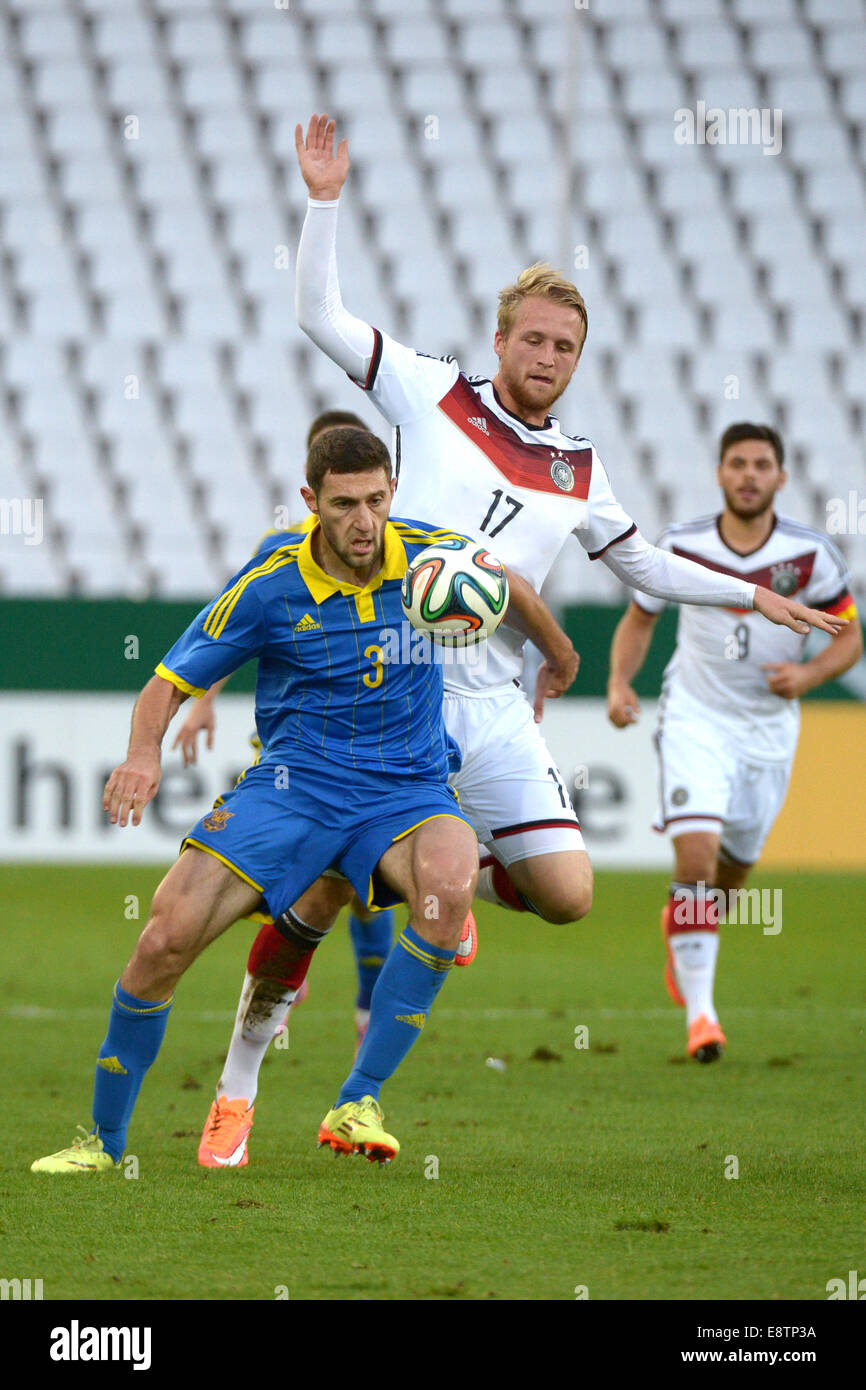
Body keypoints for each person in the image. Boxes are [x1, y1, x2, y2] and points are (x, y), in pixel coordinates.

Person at [194, 115, 847, 1168]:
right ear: (499, 340)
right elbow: (316, 311)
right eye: (532, 339)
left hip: (492, 706)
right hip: (388, 689)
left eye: (564, 347)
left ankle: (435, 885)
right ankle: (242, 1080)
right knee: (316, 897)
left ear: (577, 360)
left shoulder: (579, 470)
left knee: (567, 894)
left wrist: (747, 592)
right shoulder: (427, 389)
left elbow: (641, 564)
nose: (545, 358)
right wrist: (324, 200)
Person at [30, 428, 558, 1173]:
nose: (364, 522)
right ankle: (102, 1144)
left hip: (405, 791)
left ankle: (358, 1098)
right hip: (294, 789)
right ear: (311, 502)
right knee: (163, 938)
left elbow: (504, 581)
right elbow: (166, 681)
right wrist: (143, 754)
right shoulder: (271, 585)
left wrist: (559, 654)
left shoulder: (433, 559)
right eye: (344, 504)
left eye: (377, 500)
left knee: (447, 881)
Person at [607, 423, 861, 1061]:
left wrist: (809, 673)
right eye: (738, 463)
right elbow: (641, 617)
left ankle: (685, 928)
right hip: (695, 717)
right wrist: (617, 683)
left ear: (781, 477)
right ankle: (702, 1017)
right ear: (720, 473)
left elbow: (850, 636)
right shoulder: (682, 543)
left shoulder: (811, 556)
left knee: (729, 877)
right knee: (695, 861)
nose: (749, 474)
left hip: (768, 733)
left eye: (762, 465)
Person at [172, 409, 402, 1058]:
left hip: (374, 751)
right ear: (311, 485)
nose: (355, 510)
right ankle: (280, 988)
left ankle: (363, 1006)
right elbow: (223, 631)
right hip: (290, 752)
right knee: (295, 886)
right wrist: (201, 702)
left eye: (369, 493)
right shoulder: (278, 552)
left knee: (363, 890)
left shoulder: (396, 550)